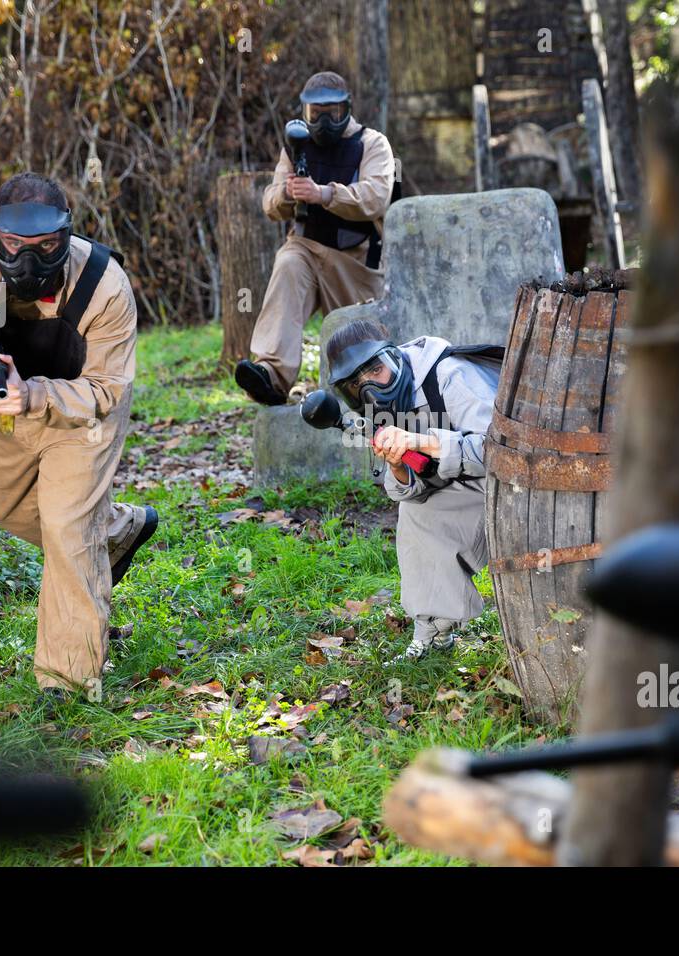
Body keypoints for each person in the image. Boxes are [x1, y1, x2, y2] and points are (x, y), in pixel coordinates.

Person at [0, 173, 158, 702]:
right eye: (14, 246)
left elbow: (108, 387)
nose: (29, 259)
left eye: (46, 246)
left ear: (66, 235)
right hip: (4, 409)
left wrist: (38, 396)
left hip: (82, 417)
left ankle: (69, 682)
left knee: (69, 535)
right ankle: (118, 531)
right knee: (7, 509)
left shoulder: (105, 283)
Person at [324, 319, 503, 659]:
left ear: (394, 357)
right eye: (354, 385)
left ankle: (438, 630)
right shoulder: (382, 408)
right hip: (469, 482)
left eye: (376, 370)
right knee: (416, 513)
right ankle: (434, 631)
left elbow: (502, 452)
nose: (370, 389)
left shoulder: (449, 375)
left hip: (517, 483)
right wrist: (397, 465)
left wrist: (423, 441)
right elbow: (415, 489)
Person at [236, 72, 396, 406]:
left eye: (332, 113)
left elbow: (376, 196)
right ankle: (270, 374)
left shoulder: (372, 143)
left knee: (365, 359)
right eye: (315, 113)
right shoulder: (296, 145)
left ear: (347, 109)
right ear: (304, 112)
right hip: (307, 249)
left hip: (355, 263)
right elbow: (270, 205)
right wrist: (287, 193)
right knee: (288, 262)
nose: (323, 121)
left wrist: (324, 193)